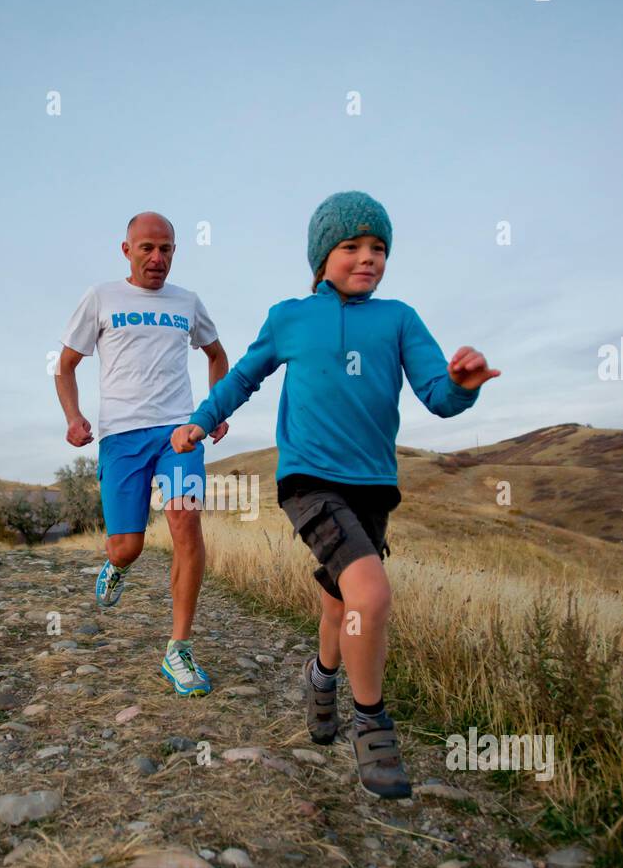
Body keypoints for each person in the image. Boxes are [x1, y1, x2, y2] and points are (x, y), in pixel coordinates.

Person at [171, 191, 500, 795]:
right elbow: (245, 374)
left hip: (373, 487)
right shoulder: (291, 316)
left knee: (339, 605)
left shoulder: (399, 318)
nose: (368, 258)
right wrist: (200, 419)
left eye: (379, 248)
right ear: (323, 256)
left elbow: (438, 396)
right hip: (310, 481)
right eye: (352, 246)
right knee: (370, 596)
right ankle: (371, 727)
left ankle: (321, 677)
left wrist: (462, 384)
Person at [55, 211, 229, 695]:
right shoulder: (101, 298)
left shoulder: (188, 302)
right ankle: (116, 566)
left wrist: (212, 412)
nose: (157, 258)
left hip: (180, 434)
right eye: (147, 248)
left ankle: (179, 650)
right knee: (126, 546)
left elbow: (217, 356)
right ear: (126, 249)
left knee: (185, 525)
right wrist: (74, 416)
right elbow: (65, 365)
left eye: (167, 249)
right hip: (122, 437)